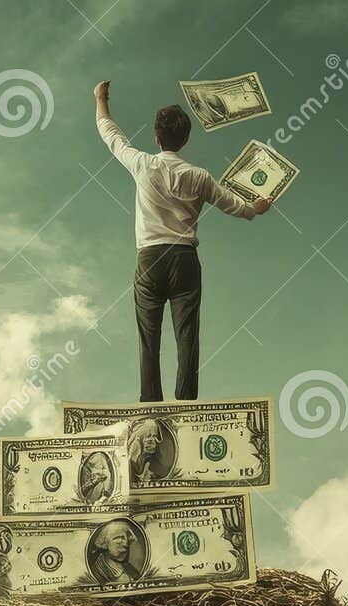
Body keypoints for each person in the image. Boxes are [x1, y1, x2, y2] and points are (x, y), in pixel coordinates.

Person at [93, 80, 273, 402]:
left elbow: (111, 136)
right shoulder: (199, 176)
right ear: (186, 139)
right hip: (185, 261)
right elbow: (235, 206)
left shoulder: (143, 164)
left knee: (149, 337)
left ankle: (151, 401)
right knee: (187, 335)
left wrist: (101, 99)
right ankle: (186, 400)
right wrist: (256, 209)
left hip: (149, 259)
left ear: (156, 137)